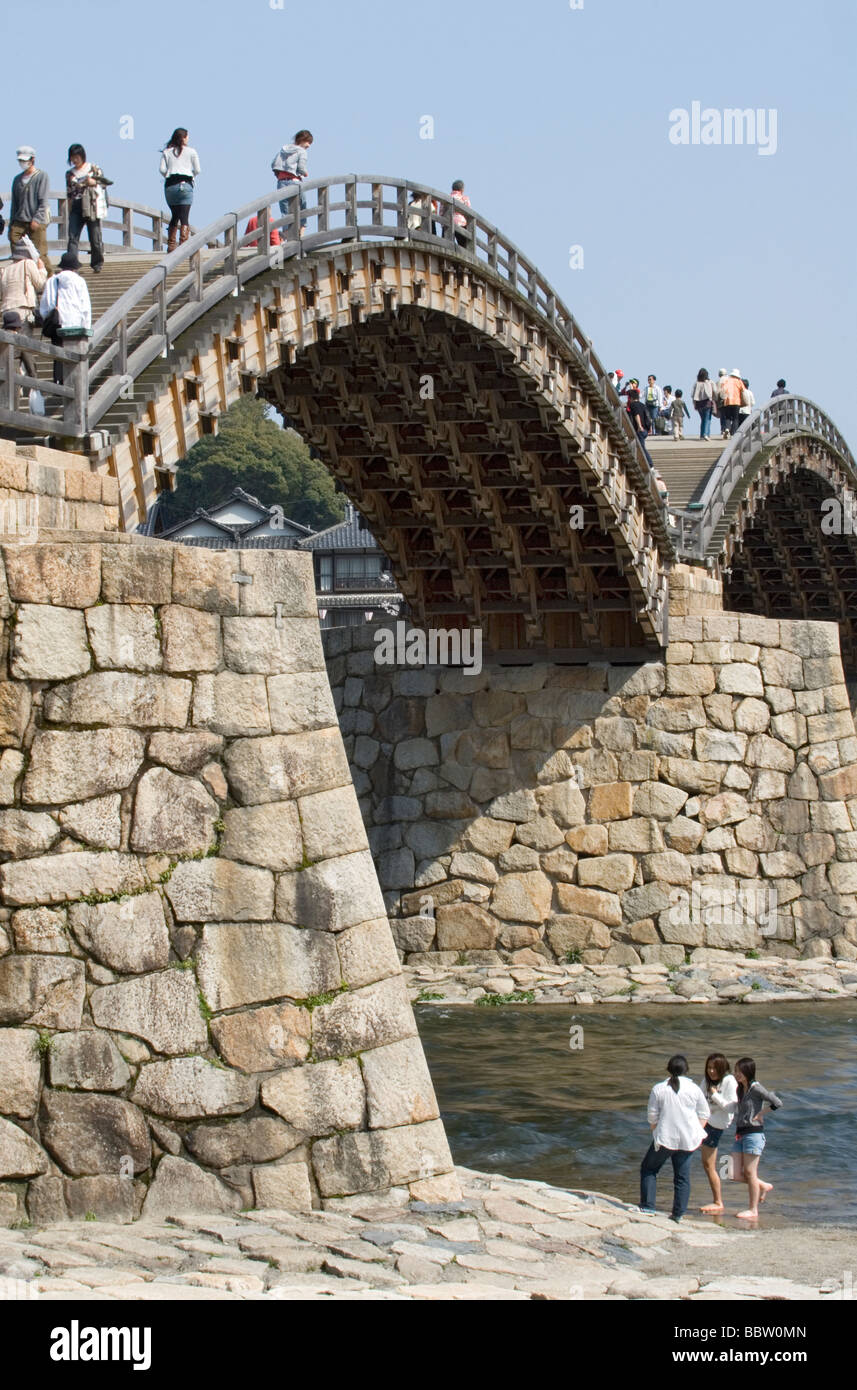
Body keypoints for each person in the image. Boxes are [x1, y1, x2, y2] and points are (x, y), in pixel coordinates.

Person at [640, 1056, 710, 1223]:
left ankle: (648, 1206)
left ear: (668, 1069)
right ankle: (678, 1214)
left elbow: (652, 1116)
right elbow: (704, 1113)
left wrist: (655, 1132)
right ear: (687, 1070)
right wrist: (697, 1132)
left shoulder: (659, 1088)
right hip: (688, 1139)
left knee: (649, 1169)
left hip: (665, 1137)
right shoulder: (694, 1089)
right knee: (682, 1177)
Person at [732, 1057, 782, 1222]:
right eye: (735, 1071)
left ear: (748, 1072)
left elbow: (777, 1102)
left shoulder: (756, 1088)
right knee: (733, 1174)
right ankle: (762, 1185)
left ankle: (753, 1209)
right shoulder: (741, 1089)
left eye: (739, 1071)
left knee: (750, 1172)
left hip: (754, 1134)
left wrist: (761, 1113)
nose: (736, 1074)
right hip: (740, 1133)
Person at [39, 251, 91, 384]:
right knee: (75, 354)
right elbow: (85, 306)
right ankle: (75, 382)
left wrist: (49, 317)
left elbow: (46, 305)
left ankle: (58, 382)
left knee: (58, 354)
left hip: (58, 322)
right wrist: (86, 327)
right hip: (75, 323)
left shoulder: (52, 281)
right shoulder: (79, 281)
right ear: (75, 267)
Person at [698, 1053, 739, 1214]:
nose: (711, 1071)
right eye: (709, 1068)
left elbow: (731, 1107)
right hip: (704, 1122)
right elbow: (698, 1098)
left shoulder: (729, 1081)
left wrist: (714, 1095)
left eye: (715, 1068)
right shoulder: (706, 1080)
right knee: (704, 1163)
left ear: (722, 1068)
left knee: (709, 1165)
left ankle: (718, 1201)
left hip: (715, 1125)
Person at [65, 144, 110, 274]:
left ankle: (97, 263)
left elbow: (104, 184)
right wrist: (69, 210)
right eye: (72, 157)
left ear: (82, 156)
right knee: (73, 237)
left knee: (95, 237)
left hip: (92, 205)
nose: (74, 160)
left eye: (77, 157)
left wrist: (94, 182)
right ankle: (72, 265)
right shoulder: (69, 174)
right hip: (76, 206)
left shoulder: (94, 169)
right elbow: (69, 193)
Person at [8, 147, 53, 271]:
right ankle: (23, 275)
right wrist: (12, 223)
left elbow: (43, 201)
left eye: (25, 160)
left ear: (32, 159)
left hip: (36, 221)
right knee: (17, 250)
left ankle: (48, 278)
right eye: (21, 160)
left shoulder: (41, 176)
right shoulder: (17, 179)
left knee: (39, 253)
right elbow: (15, 204)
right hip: (19, 220)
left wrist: (37, 219)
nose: (23, 163)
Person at [159, 129, 201, 253]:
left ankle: (171, 245)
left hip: (170, 186)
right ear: (184, 138)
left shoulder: (167, 152)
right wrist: (191, 175)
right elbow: (198, 170)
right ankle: (183, 245)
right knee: (184, 217)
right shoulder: (191, 152)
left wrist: (169, 174)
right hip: (185, 184)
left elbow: (162, 169)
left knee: (175, 215)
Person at [272, 130, 313, 236]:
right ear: (303, 140)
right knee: (302, 207)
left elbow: (274, 164)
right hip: (295, 182)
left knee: (285, 211)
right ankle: (302, 233)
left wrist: (279, 174)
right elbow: (301, 168)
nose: (308, 146)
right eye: (308, 143)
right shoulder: (302, 151)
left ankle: (286, 235)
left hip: (281, 182)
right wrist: (305, 173)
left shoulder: (283, 149)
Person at [0, 241, 47, 327]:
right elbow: (40, 284)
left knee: (10, 338)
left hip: (6, 309)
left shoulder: (5, 269)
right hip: (23, 307)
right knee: (24, 337)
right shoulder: (28, 263)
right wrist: (42, 269)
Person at [0, 309, 39, 410]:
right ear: (18, 325)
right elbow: (30, 362)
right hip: (14, 374)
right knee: (12, 408)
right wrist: (34, 379)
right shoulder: (21, 339)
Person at [626, 388, 654, 467]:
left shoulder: (633, 405)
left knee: (641, 447)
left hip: (640, 429)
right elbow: (648, 416)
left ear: (631, 398)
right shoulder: (643, 405)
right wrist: (650, 428)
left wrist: (639, 426)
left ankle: (650, 464)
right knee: (638, 446)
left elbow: (637, 415)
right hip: (645, 430)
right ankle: (638, 463)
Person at [719, 368, 744, 439]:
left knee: (728, 417)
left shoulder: (727, 380)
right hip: (736, 402)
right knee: (735, 418)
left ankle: (727, 428)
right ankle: (733, 434)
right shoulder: (739, 381)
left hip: (727, 401)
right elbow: (743, 391)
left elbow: (723, 390)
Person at [692, 368, 716, 439]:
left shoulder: (696, 383)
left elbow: (693, 395)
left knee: (703, 419)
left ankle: (703, 435)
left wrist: (694, 404)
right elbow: (715, 391)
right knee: (707, 419)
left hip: (698, 404)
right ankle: (706, 434)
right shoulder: (710, 382)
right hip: (707, 402)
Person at [450, 180, 472, 248]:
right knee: (464, 246)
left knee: (446, 244)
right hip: (461, 224)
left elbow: (441, 212)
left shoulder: (447, 197)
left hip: (448, 223)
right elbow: (469, 212)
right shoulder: (464, 198)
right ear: (462, 189)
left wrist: (443, 224)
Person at [715, 368, 729, 436]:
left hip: (721, 400)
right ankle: (728, 428)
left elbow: (716, 392)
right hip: (729, 400)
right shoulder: (729, 380)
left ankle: (723, 429)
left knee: (722, 415)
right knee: (728, 415)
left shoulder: (718, 382)